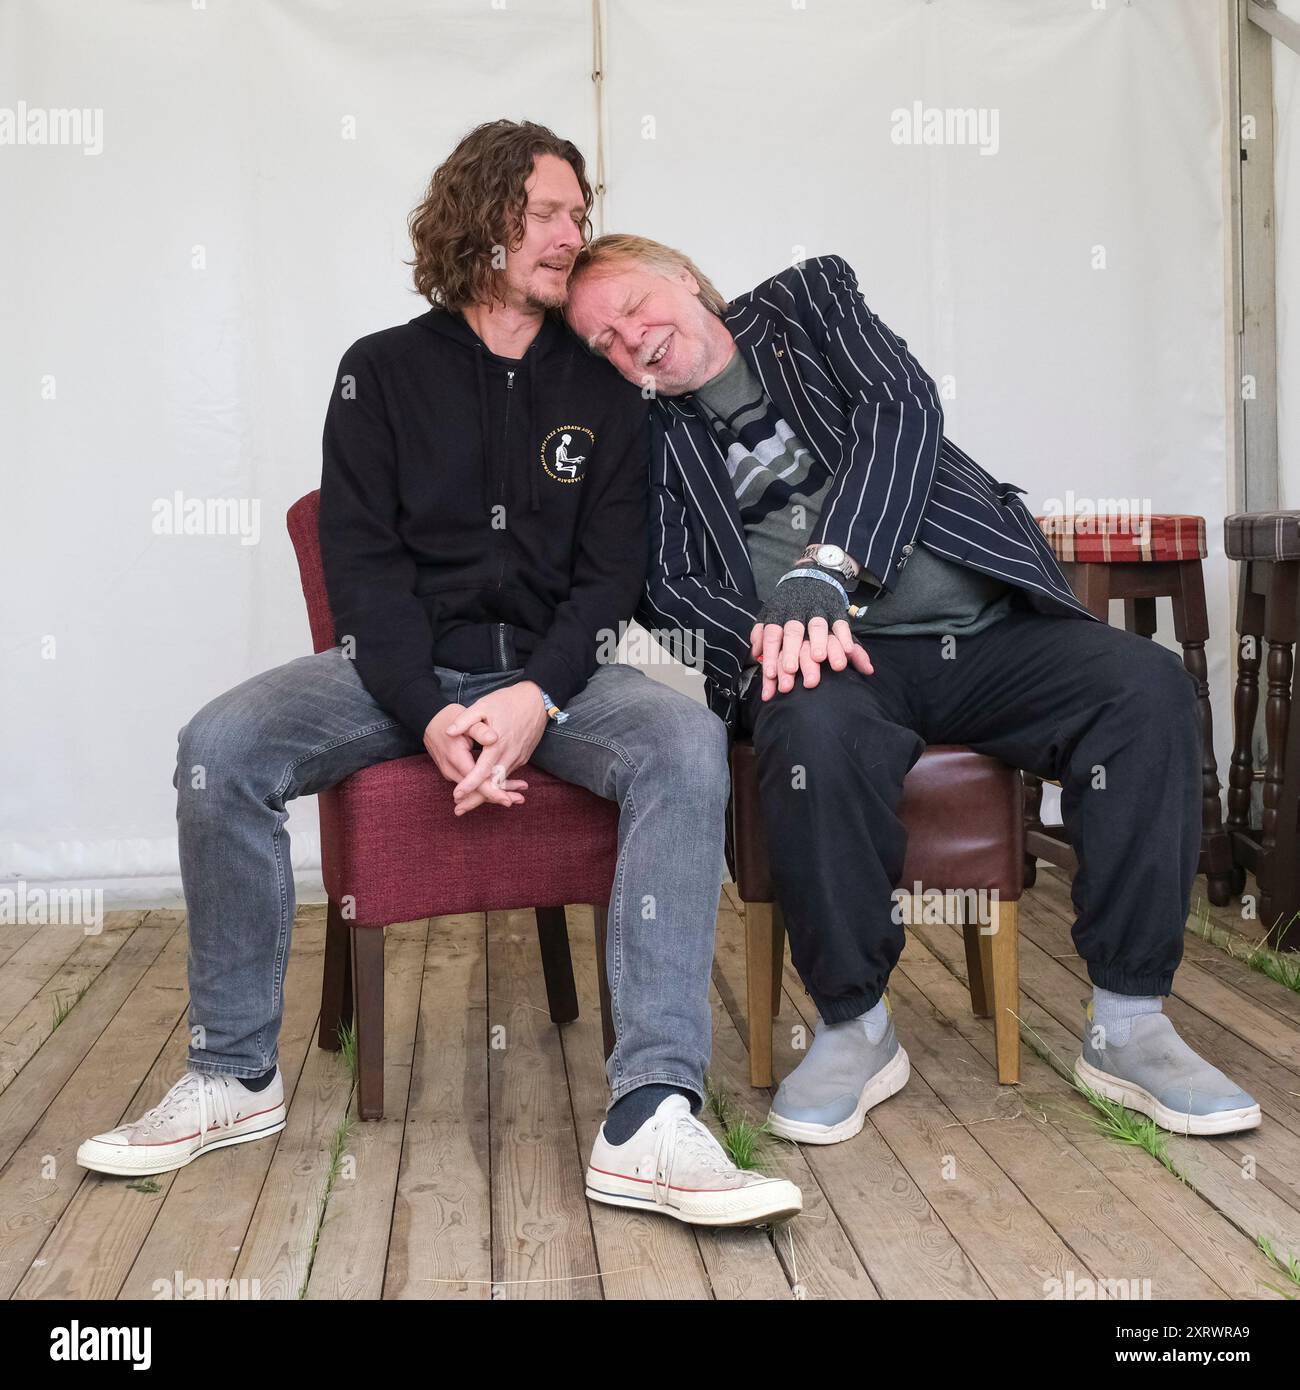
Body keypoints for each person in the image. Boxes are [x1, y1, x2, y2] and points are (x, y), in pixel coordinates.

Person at [76, 124, 802, 1228]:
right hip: (396, 674)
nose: (574, 233)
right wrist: (430, 714)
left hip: (556, 681)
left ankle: (652, 1112)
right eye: (550, 213)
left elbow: (610, 579)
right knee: (216, 750)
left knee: (685, 740)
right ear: (484, 216)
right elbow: (362, 576)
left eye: (579, 210)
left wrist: (535, 696)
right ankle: (234, 1074)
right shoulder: (381, 371)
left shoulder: (602, 386)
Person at [565, 234, 1260, 1142]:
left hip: (988, 629)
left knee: (1149, 690)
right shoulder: (641, 434)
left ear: (682, 277)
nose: (631, 343)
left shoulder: (808, 303)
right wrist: (777, 636)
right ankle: (856, 1027)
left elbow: (902, 408)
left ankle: (1130, 1023)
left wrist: (829, 566)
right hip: (831, 662)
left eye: (630, 309)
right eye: (605, 345)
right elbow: (667, 582)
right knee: (808, 736)